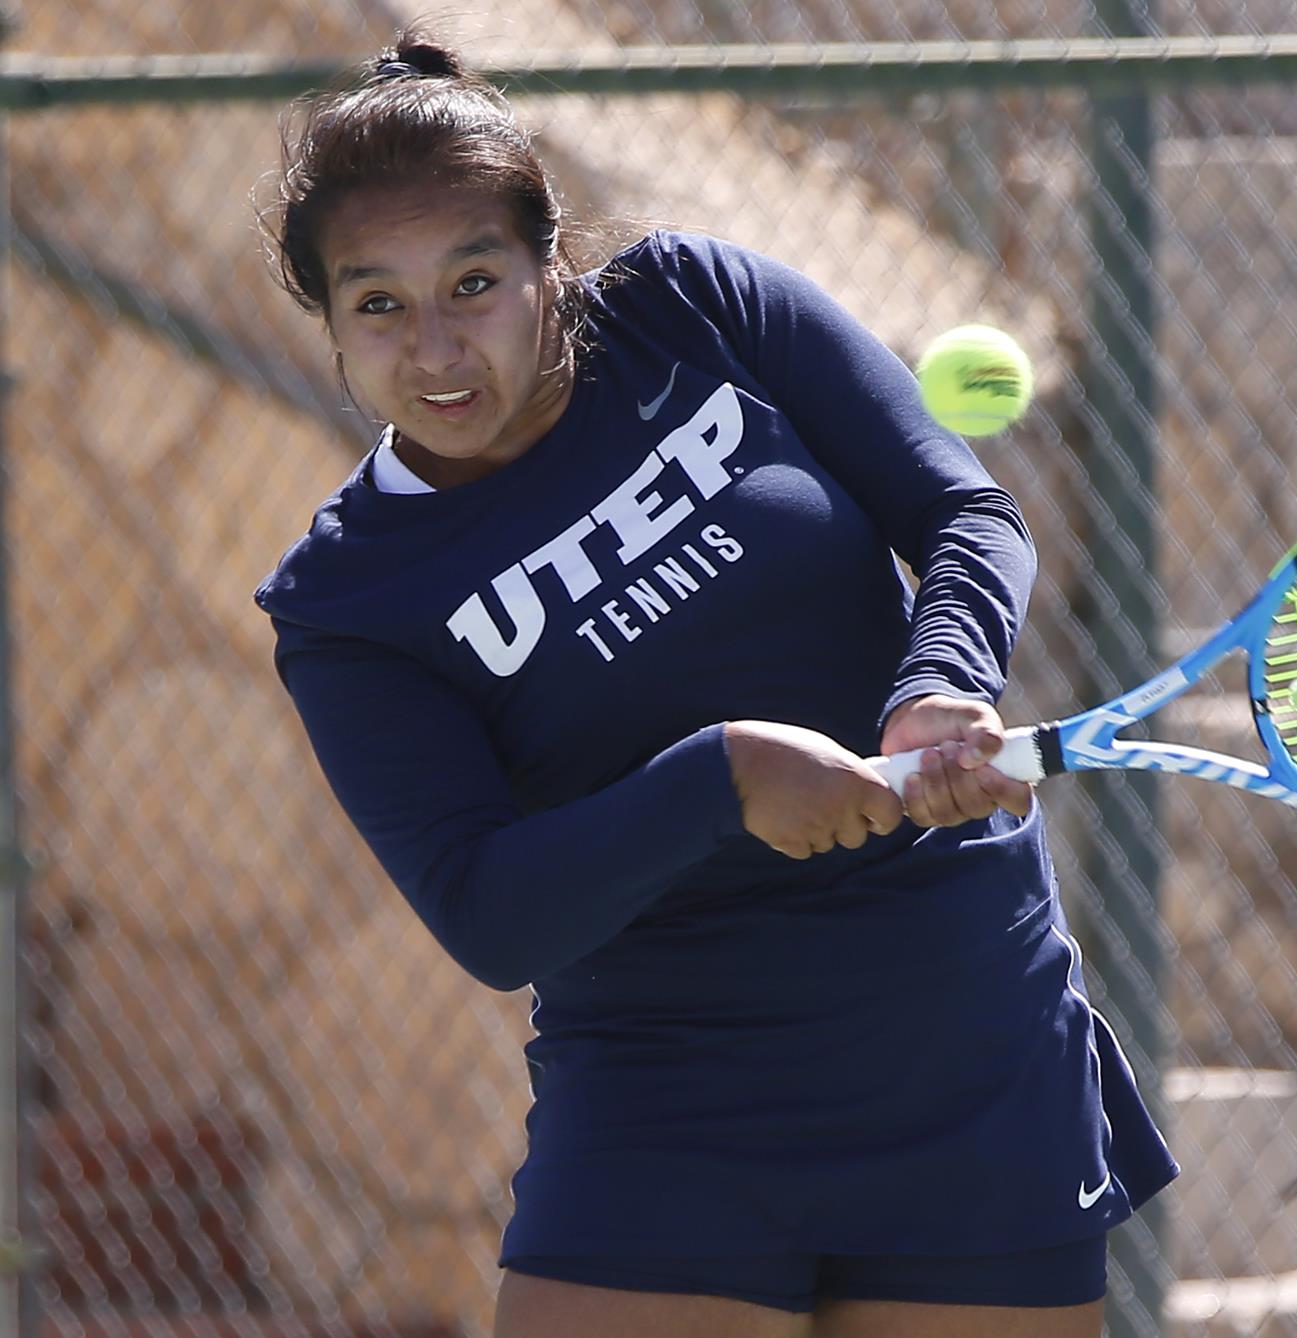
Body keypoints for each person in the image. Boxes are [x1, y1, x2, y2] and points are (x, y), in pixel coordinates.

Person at [254, 28, 1178, 1338]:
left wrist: (937, 684)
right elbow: (487, 910)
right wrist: (722, 780)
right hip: (668, 1102)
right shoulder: (346, 607)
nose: (438, 348)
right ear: (332, 327)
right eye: (380, 304)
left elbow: (967, 512)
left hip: (961, 1043)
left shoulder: (703, 309)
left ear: (545, 261)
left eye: (474, 282)